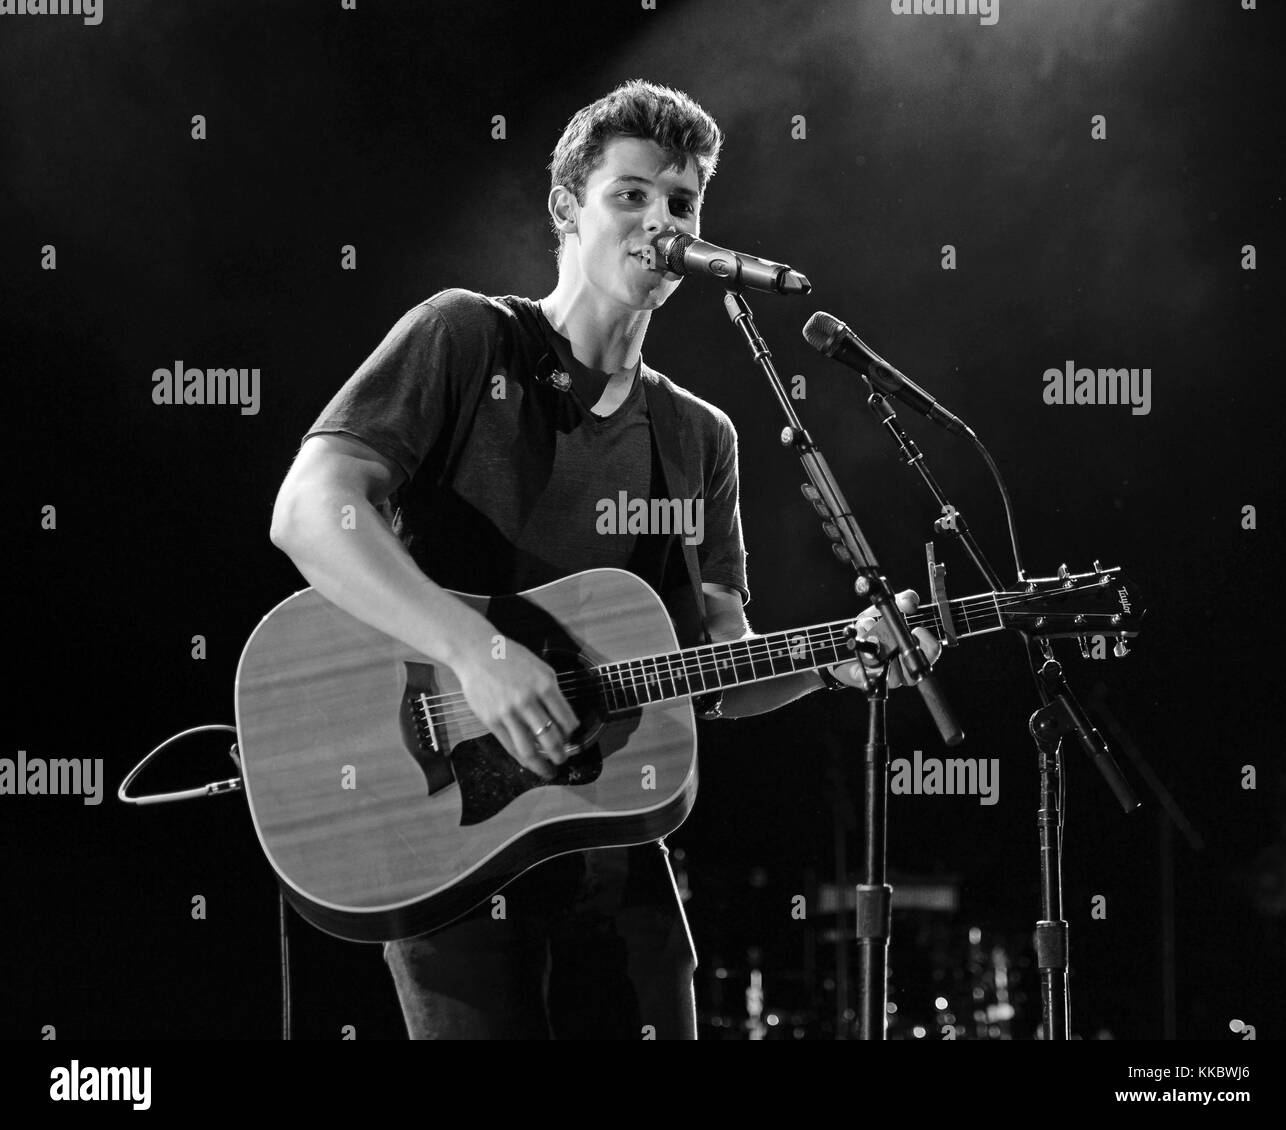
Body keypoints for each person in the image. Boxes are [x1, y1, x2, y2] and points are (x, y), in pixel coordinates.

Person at [269, 79, 938, 1039]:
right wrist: (477, 651)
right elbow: (308, 508)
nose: (661, 222)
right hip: (454, 828)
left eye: (683, 203)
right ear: (566, 209)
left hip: (615, 850)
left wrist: (835, 660)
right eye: (631, 195)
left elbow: (718, 663)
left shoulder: (698, 436)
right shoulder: (465, 335)